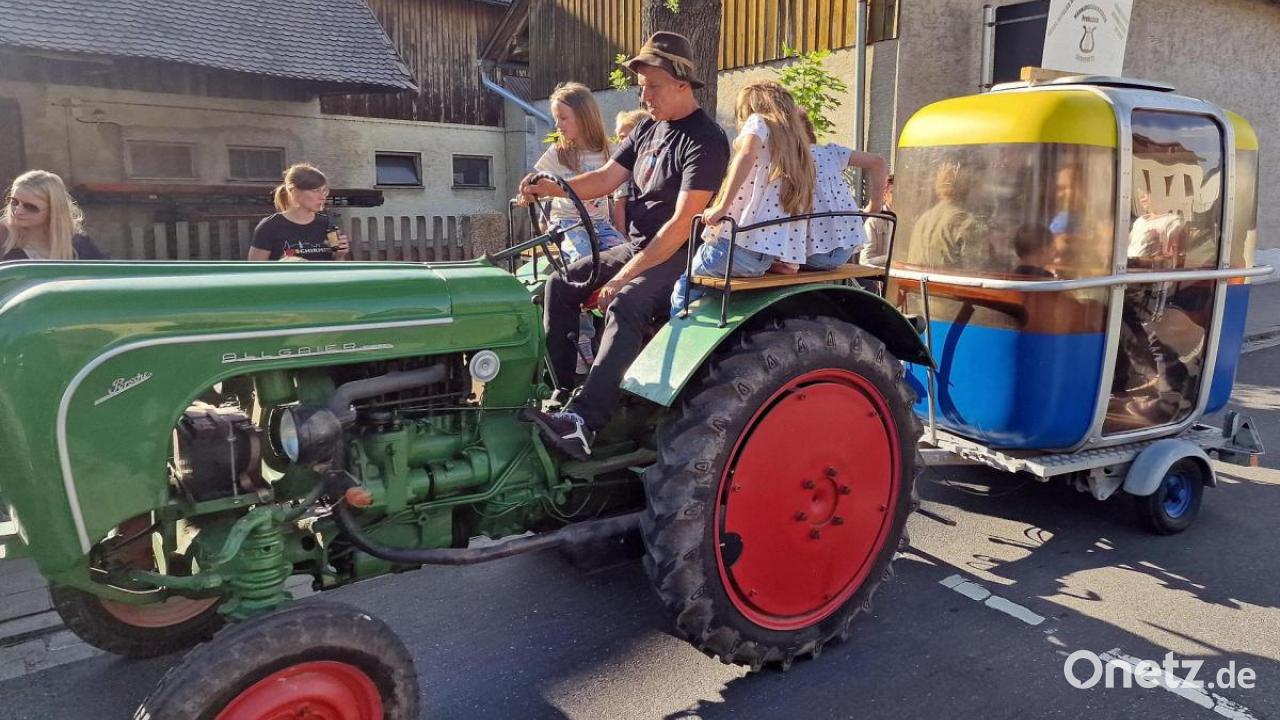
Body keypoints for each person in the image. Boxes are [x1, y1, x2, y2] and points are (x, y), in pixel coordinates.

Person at [516, 31, 729, 459]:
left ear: (682, 83)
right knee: (561, 286)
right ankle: (566, 397)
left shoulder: (705, 139)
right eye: (642, 86)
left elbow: (682, 223)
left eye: (653, 86)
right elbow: (605, 179)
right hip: (638, 246)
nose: (644, 95)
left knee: (626, 301)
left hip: (681, 251)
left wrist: (625, 276)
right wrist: (550, 187)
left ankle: (585, 424)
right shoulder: (649, 129)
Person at [669, 80, 816, 312]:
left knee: (684, 287)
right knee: (711, 297)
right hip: (761, 258)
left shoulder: (759, 121)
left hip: (731, 247)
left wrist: (721, 207)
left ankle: (680, 343)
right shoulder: (794, 146)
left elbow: (747, 154)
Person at [535, 83, 627, 261]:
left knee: (623, 254)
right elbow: (538, 181)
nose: (557, 124)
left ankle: (612, 289)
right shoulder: (558, 153)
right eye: (556, 118)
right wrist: (529, 191)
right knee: (585, 260)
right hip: (567, 223)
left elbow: (623, 181)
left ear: (584, 117)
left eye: (563, 118)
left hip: (599, 222)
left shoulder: (609, 151)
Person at [248, 163, 350, 261]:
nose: (322, 196)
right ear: (294, 192)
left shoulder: (327, 224)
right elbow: (255, 272)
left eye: (324, 191)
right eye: (315, 191)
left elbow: (337, 270)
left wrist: (339, 256)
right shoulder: (270, 226)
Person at [1, 170, 106, 260]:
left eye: (30, 207)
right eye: (14, 202)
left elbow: (102, 276)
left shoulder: (78, 244)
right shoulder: (3, 237)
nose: (18, 211)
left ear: (53, 209)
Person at [904, 161, 989, 269]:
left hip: (916, 285)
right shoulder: (966, 223)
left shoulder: (923, 220)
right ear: (968, 188)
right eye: (979, 184)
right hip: (950, 285)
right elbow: (976, 273)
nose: (984, 191)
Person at [611, 108, 652, 233]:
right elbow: (620, 204)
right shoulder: (624, 167)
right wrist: (622, 236)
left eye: (625, 137)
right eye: (620, 138)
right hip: (632, 230)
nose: (621, 142)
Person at [860, 173, 895, 267]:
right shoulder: (874, 221)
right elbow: (865, 260)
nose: (897, 195)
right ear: (884, 194)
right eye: (893, 192)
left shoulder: (911, 221)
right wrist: (892, 259)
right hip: (883, 277)